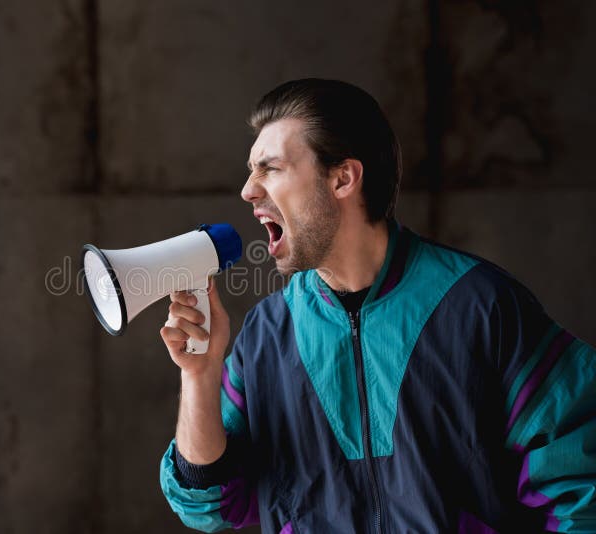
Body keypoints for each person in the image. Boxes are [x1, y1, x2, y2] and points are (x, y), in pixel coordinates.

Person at [158, 79, 596, 533]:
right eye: (251, 170)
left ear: (343, 178)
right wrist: (200, 376)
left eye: (270, 168)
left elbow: (582, 493)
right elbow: (208, 503)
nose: (248, 190)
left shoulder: (482, 307)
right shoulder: (266, 333)